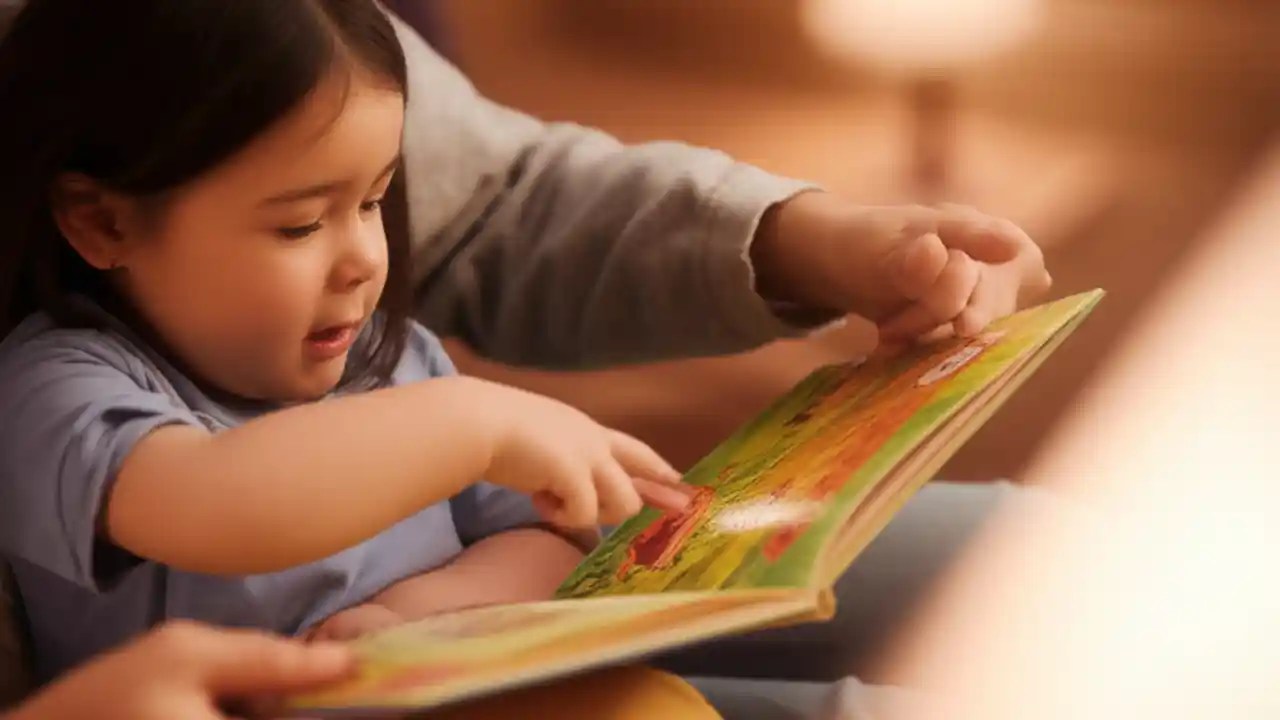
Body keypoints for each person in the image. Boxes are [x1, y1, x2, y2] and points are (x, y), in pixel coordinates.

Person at [0, 0, 1048, 717]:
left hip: (506, 678)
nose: (365, 257)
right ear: (100, 223)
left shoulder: (378, 352)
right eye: (297, 226)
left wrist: (419, 612)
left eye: (373, 200)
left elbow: (548, 542)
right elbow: (205, 503)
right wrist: (474, 425)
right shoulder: (62, 386)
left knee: (1024, 553)